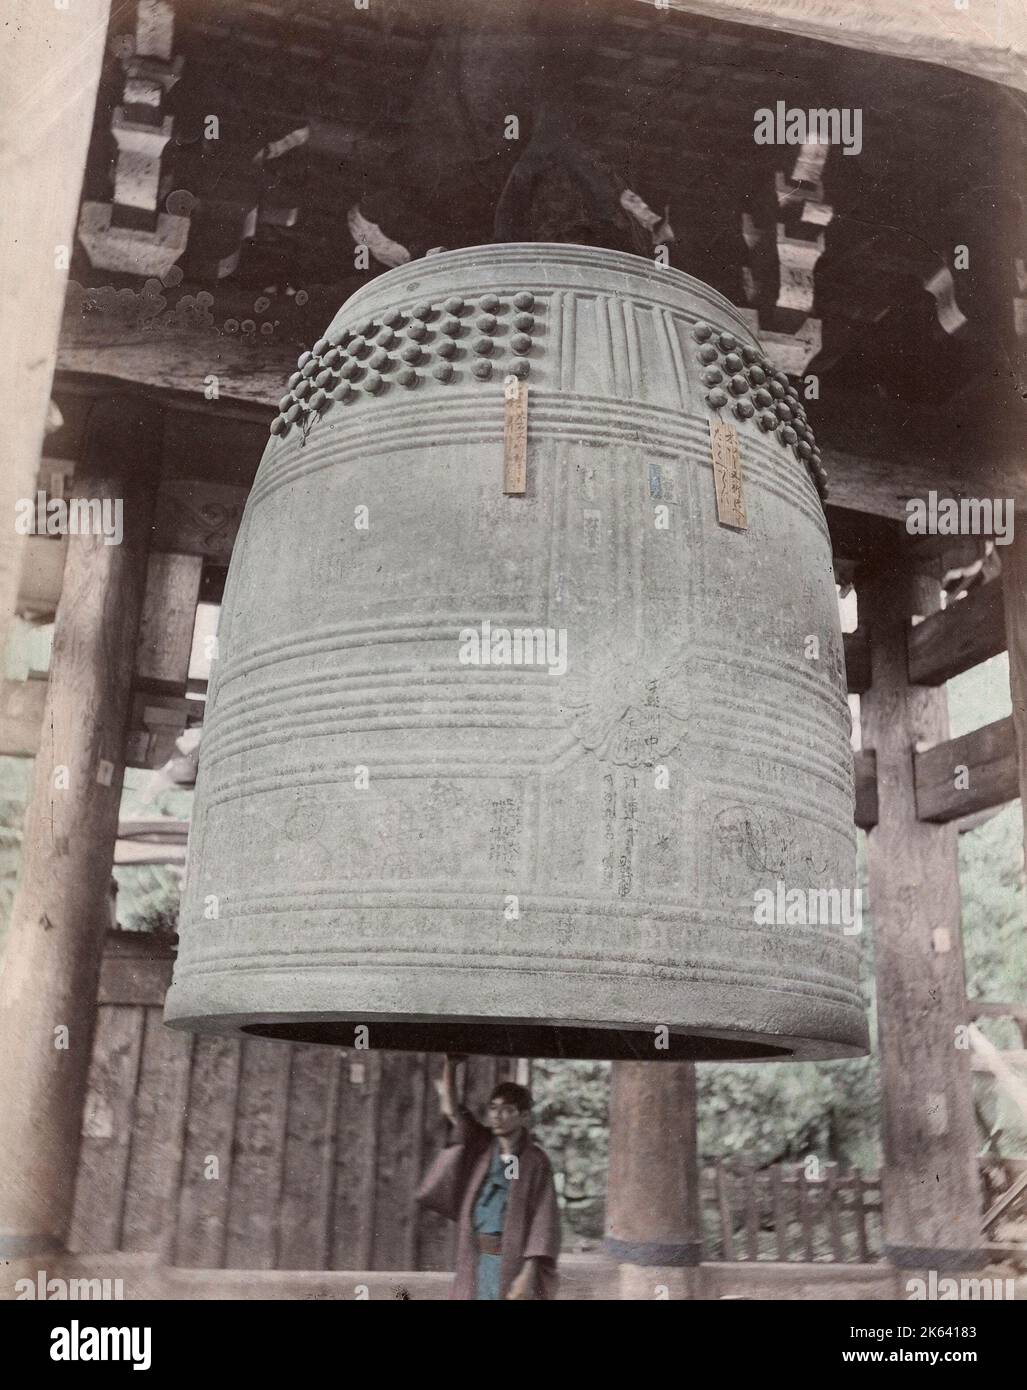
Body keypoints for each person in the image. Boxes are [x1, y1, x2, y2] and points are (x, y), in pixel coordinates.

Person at [424, 1055, 561, 1301]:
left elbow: (543, 1225)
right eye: (494, 1109)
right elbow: (452, 1110)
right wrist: (451, 1066)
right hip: (476, 1259)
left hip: (510, 1262)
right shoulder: (482, 1146)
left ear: (524, 1117)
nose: (497, 1116)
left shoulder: (535, 1161)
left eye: (507, 1110)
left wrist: (526, 1277)